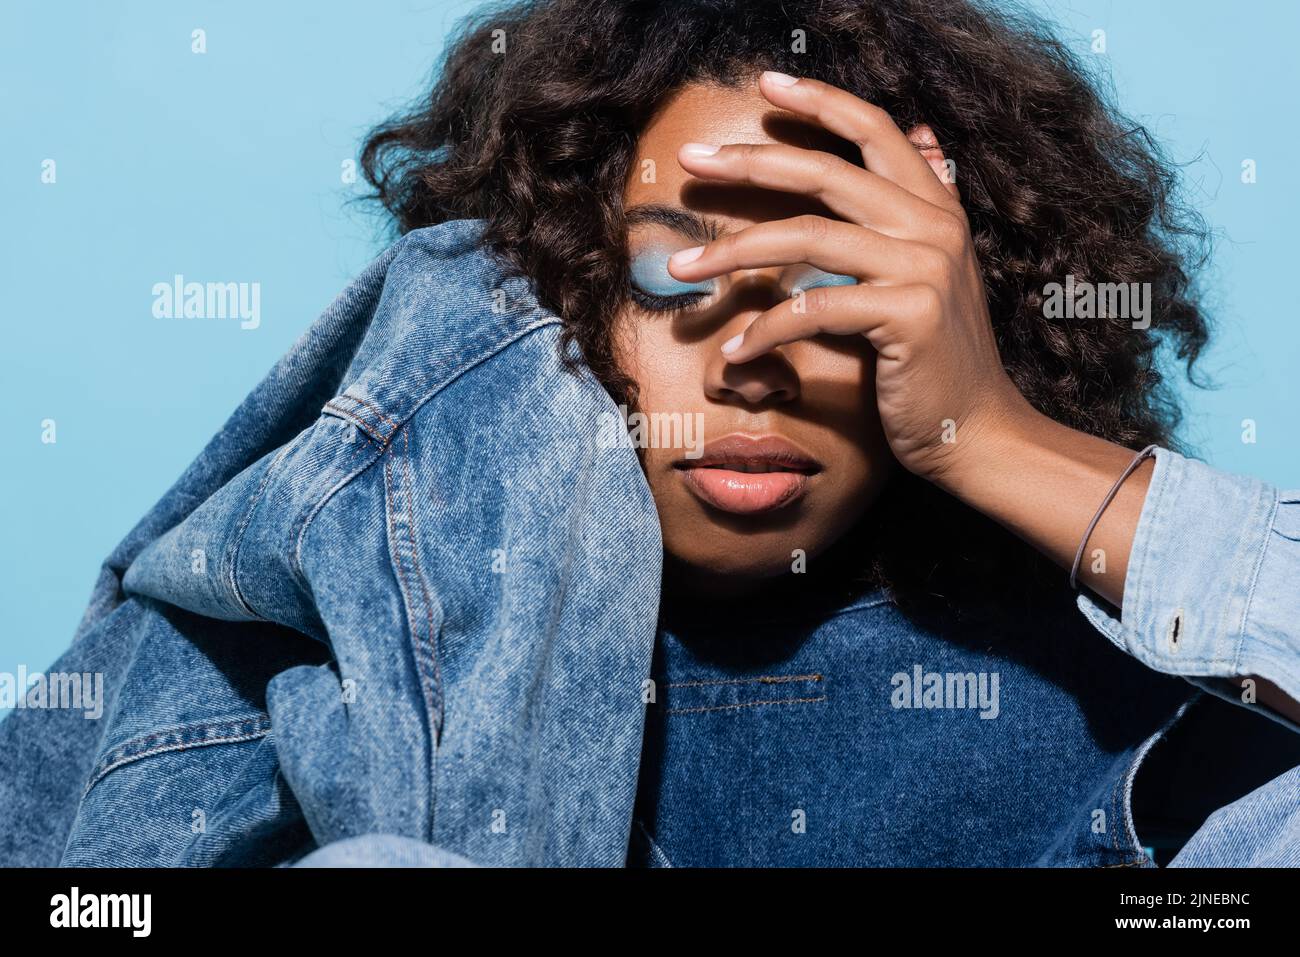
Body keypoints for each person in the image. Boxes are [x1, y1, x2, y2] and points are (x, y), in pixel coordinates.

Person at [3, 0, 1297, 867]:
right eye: (674, 276)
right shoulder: (309, 643)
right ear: (553, 281)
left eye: (833, 279)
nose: (746, 359)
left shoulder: (1117, 713)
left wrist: (999, 436)